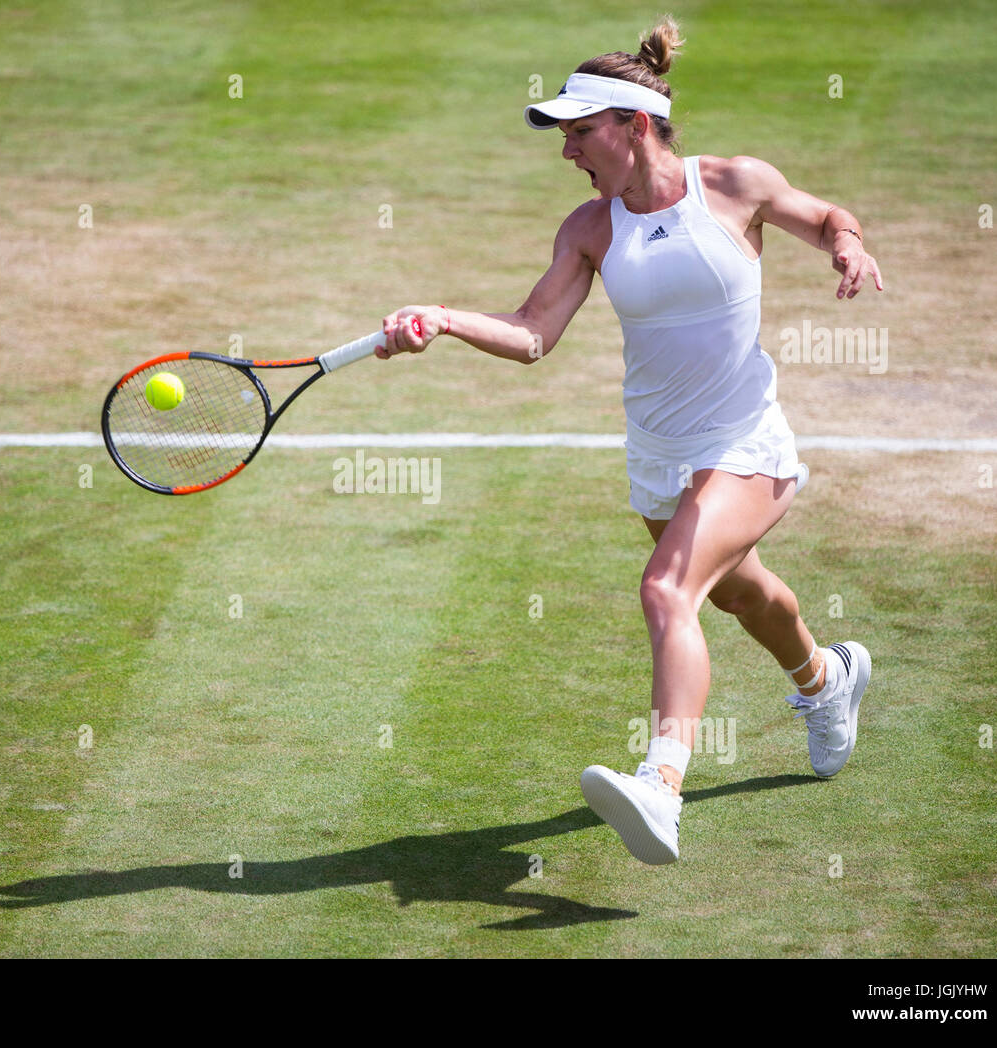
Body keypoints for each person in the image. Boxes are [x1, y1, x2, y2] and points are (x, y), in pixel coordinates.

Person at [376, 16, 881, 864]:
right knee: (735, 595)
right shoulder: (591, 228)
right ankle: (828, 680)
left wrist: (850, 247)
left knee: (665, 592)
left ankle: (662, 785)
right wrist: (446, 318)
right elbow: (535, 332)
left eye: (580, 134)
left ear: (634, 126)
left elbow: (828, 215)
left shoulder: (734, 185)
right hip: (657, 451)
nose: (568, 151)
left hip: (744, 439)